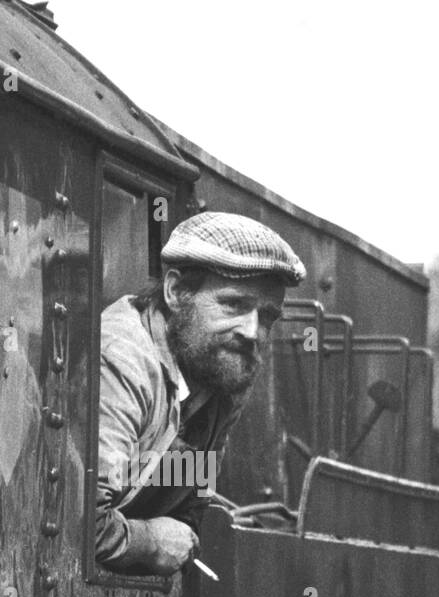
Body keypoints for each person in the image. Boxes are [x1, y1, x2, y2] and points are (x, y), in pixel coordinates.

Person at [96, 211, 306, 575]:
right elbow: (82, 523)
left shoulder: (223, 369)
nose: (252, 332)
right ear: (176, 291)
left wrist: (173, 533)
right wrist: (149, 541)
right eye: (234, 305)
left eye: (268, 316)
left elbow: (187, 506)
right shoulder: (122, 357)